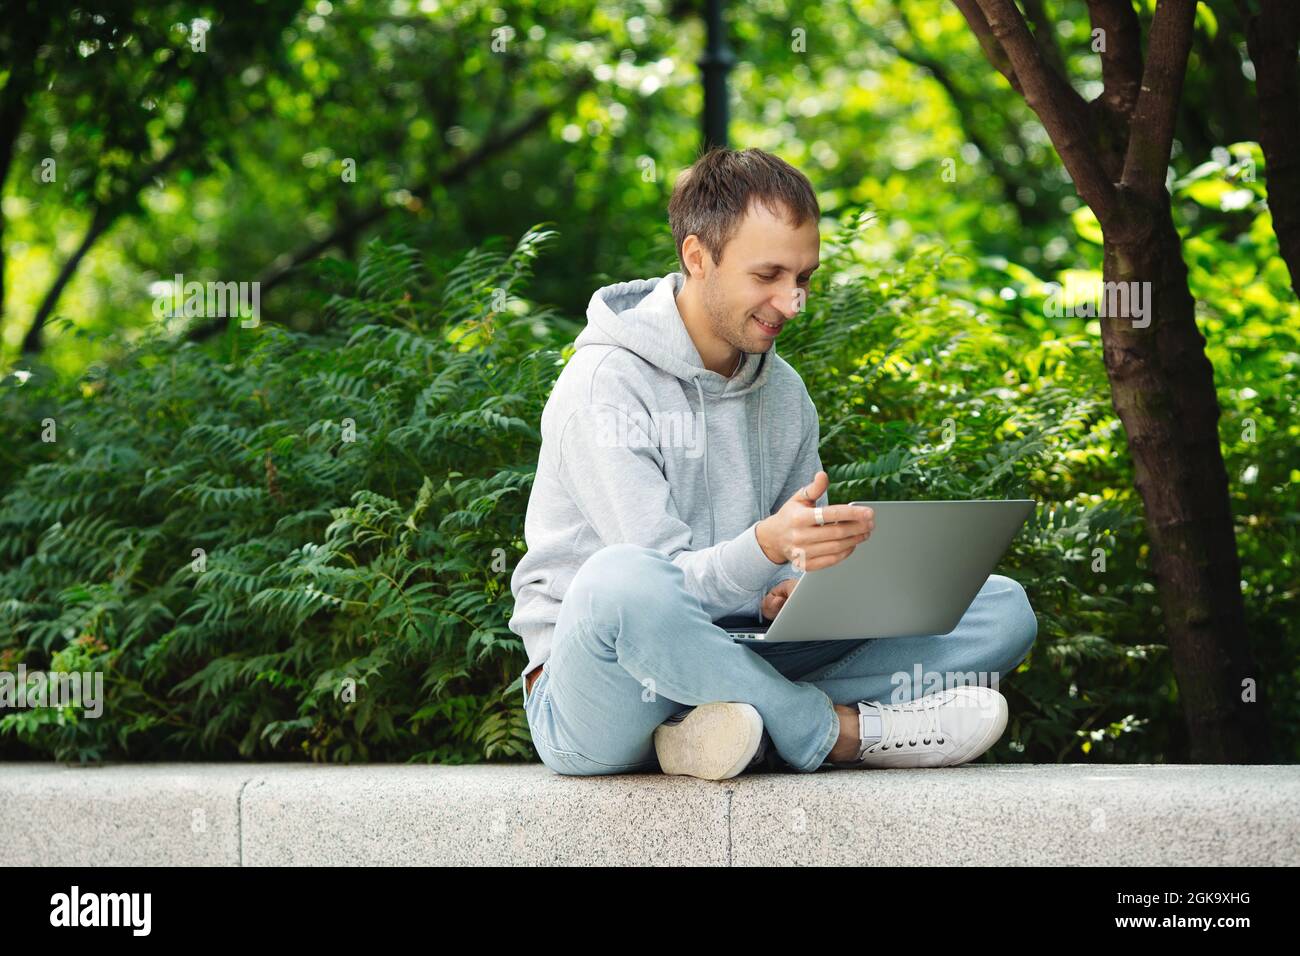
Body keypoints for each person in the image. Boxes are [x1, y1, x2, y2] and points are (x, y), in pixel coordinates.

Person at [508, 146, 1038, 779]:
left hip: (746, 653)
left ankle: (719, 731)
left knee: (1001, 610)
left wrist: (797, 586)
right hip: (604, 686)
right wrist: (763, 547)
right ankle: (833, 730)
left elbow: (776, 565)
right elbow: (663, 587)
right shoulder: (605, 386)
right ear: (697, 257)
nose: (792, 302)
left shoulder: (783, 393)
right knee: (623, 580)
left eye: (803, 277)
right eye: (768, 276)